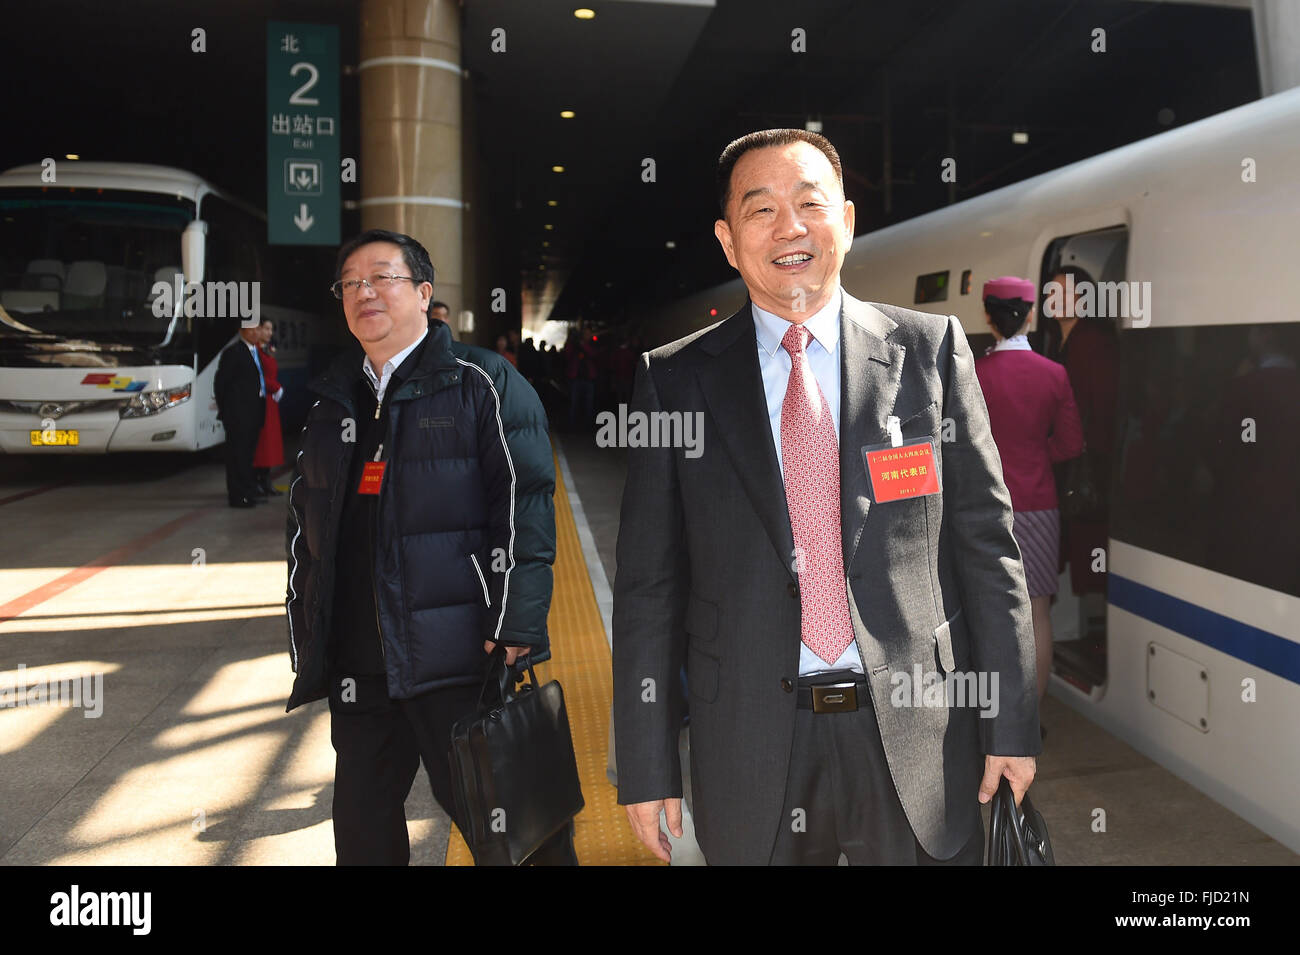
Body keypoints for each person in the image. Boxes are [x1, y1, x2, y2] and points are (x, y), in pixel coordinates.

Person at [612, 129, 1041, 866]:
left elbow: (987, 550)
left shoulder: (930, 352)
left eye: (809, 203)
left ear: (844, 221)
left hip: (918, 734)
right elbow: (649, 589)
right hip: (751, 743)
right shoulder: (674, 381)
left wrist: (1010, 726)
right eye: (761, 210)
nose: (790, 228)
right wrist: (647, 765)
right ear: (727, 239)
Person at [284, 229, 571, 865]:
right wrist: (311, 631)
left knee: (508, 828)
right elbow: (306, 526)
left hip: (460, 653)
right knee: (361, 832)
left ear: (422, 292)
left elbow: (524, 503)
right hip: (361, 662)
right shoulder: (333, 401)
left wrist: (516, 619)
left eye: (381, 277)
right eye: (350, 284)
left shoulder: (482, 382)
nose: (365, 293)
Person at [974, 277, 1083, 708]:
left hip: (983, 508)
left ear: (988, 316)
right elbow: (1072, 443)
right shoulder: (1054, 374)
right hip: (1039, 507)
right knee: (1037, 612)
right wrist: (1036, 456)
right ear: (1030, 315)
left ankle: (994, 715)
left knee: (989, 610)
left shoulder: (975, 373)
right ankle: (1031, 716)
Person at [1046, 266, 1119, 634]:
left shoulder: (1093, 342)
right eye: (1051, 292)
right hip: (1066, 462)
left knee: (1087, 543)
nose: (1056, 300)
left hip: (1086, 466)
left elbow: (1103, 410)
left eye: (1066, 292)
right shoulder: (1059, 342)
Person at [214, 323, 268, 508]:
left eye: (257, 329)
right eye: (250, 329)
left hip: (255, 412)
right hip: (238, 415)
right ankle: (237, 496)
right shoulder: (233, 352)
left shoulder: (255, 351)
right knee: (237, 456)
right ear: (241, 331)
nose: (255, 332)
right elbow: (221, 384)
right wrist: (227, 411)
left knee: (248, 456)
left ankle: (249, 491)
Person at [252, 318, 285, 497]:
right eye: (266, 328)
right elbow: (256, 375)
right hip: (262, 400)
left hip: (271, 402)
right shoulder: (255, 350)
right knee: (261, 443)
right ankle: (257, 481)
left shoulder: (268, 350)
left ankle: (266, 481)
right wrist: (275, 387)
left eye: (271, 329)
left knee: (270, 443)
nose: (269, 333)